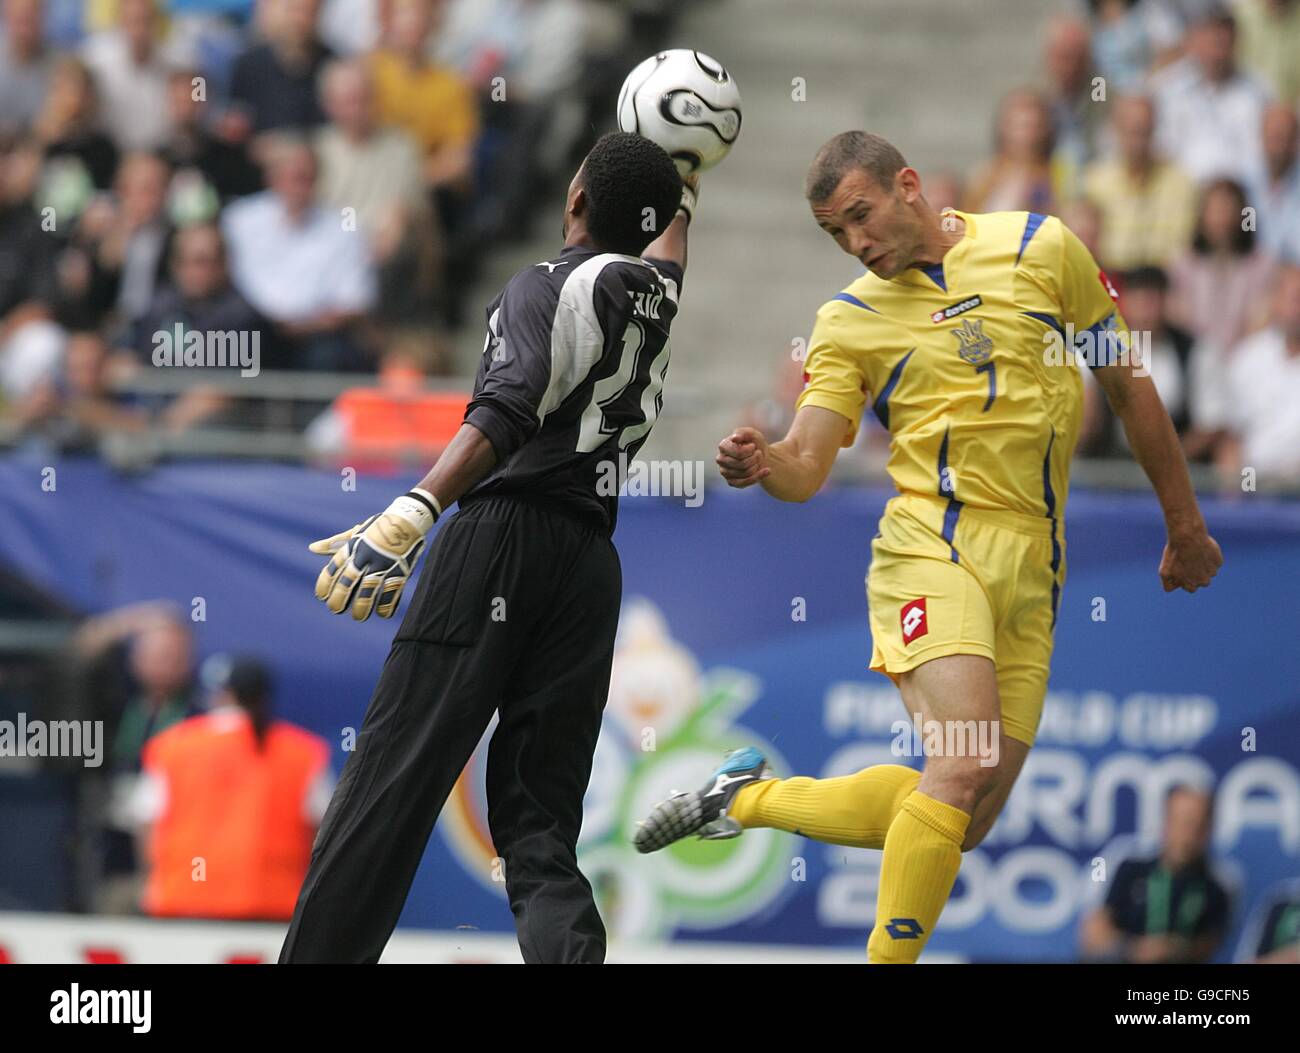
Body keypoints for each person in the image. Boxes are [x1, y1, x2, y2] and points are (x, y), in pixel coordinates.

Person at [634, 130, 1222, 965]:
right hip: (930, 547)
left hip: (1035, 567)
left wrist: (1185, 523)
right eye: (837, 234)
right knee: (963, 759)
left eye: (861, 217)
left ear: (908, 185)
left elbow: (1127, 384)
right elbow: (807, 461)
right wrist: (768, 464)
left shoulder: (1040, 248)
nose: (856, 243)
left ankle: (749, 797)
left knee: (965, 814)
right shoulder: (848, 320)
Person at [279, 131, 692, 964]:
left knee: (389, 786)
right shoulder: (659, 294)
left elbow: (506, 408)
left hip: (501, 535)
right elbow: (670, 245)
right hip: (588, 565)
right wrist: (684, 174)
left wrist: (415, 506)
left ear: (574, 199)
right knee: (540, 827)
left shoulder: (546, 284)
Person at [133, 658, 333, 920]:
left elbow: (147, 821)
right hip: (273, 900)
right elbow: (323, 829)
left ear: (218, 695)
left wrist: (151, 879)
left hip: (183, 897)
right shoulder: (303, 751)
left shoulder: (171, 746)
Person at [1079, 785, 1231, 963]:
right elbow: (1092, 934)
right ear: (1166, 821)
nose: (1188, 834)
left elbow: (1211, 945)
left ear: (1209, 829)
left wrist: (1173, 949)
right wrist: (1135, 949)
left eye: (1199, 825)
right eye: (1183, 822)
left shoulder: (1219, 887)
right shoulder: (1124, 864)